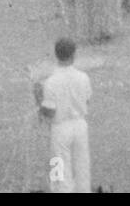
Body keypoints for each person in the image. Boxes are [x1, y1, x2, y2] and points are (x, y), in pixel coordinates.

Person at [39, 38, 93, 193]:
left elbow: (50, 110)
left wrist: (40, 105)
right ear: (74, 55)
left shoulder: (51, 82)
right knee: (82, 165)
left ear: (56, 55)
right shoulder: (83, 77)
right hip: (80, 124)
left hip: (60, 126)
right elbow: (87, 100)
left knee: (59, 166)